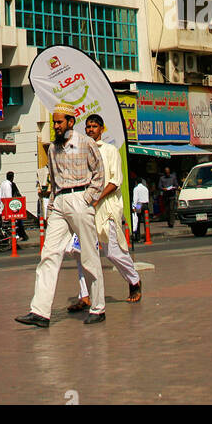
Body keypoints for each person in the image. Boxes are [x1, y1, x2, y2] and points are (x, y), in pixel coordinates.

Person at [15, 108, 106, 328]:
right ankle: (40, 312)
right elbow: (53, 183)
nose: (56, 126)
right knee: (49, 254)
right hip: (59, 203)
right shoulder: (53, 149)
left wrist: (88, 198)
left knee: (88, 256)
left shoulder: (86, 143)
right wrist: (52, 208)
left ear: (71, 121)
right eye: (54, 123)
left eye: (59, 122)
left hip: (79, 198)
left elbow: (99, 174)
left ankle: (98, 307)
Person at [70, 115, 142, 311]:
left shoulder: (110, 151)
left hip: (106, 208)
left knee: (112, 252)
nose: (91, 129)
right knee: (80, 252)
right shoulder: (81, 152)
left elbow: (115, 181)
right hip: (85, 209)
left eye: (94, 126)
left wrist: (95, 198)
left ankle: (134, 280)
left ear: (102, 129)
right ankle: (84, 296)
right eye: (88, 127)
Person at [0, 171, 27, 242]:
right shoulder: (9, 185)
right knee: (15, 221)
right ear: (12, 177)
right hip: (9, 206)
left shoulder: (3, 183)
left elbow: (1, 195)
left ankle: (13, 234)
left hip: (3, 205)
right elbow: (9, 197)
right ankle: (16, 235)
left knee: (8, 222)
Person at [131, 177, 150, 242]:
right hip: (145, 204)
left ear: (136, 182)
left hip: (139, 204)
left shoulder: (136, 189)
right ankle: (147, 236)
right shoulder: (145, 188)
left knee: (137, 220)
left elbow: (135, 199)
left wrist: (133, 207)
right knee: (146, 221)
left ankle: (138, 236)